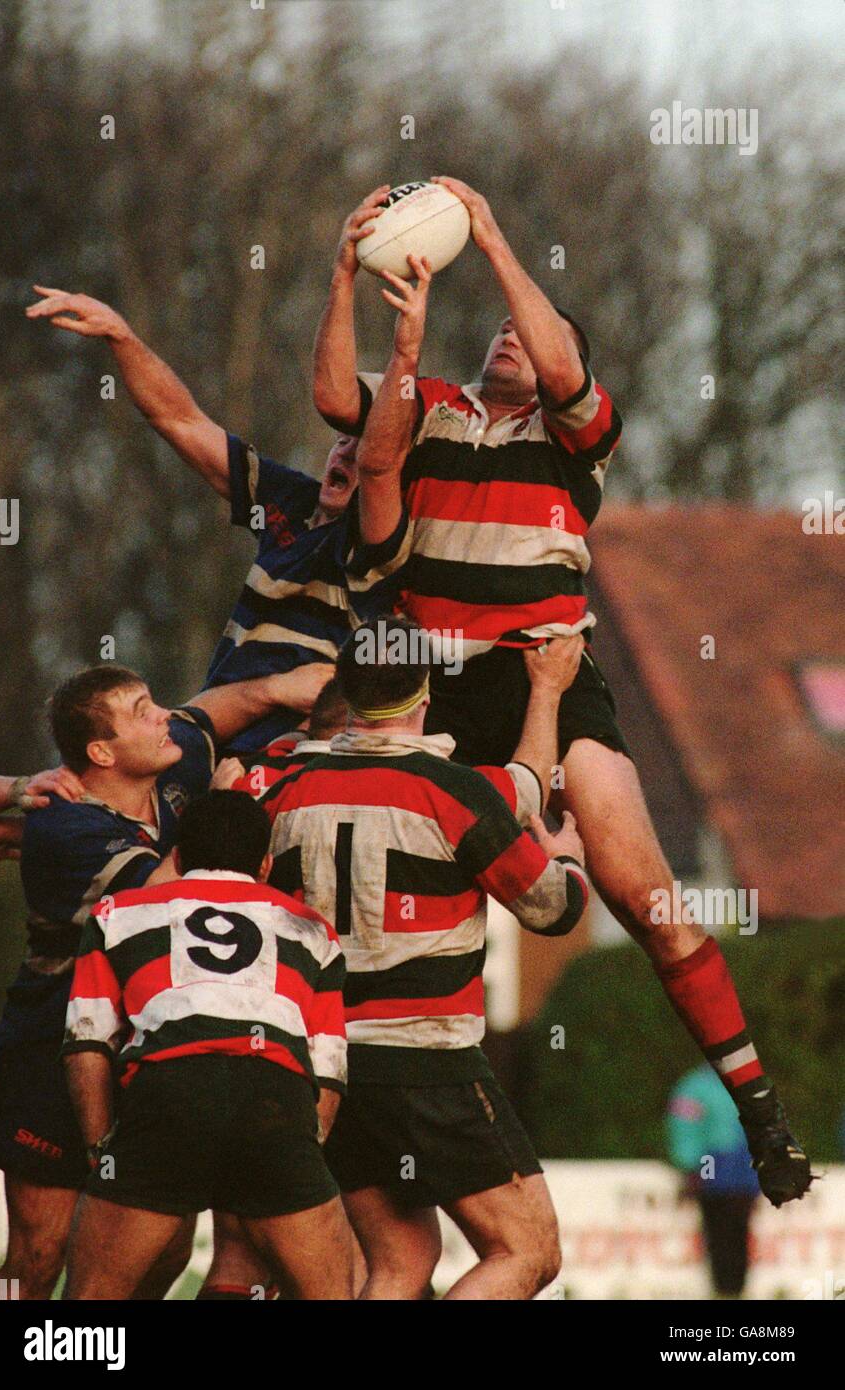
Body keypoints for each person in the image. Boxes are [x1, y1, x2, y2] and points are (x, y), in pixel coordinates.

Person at [312, 177, 812, 1207]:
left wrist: (489, 231)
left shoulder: (577, 442)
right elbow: (335, 403)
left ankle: (758, 1111)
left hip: (549, 675)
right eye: (495, 328)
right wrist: (341, 277)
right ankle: (318, 1090)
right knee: (366, 883)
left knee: (651, 900)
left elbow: (564, 368)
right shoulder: (434, 410)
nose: (507, 338)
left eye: (525, 333)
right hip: (436, 688)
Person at [263, 617, 589, 1300]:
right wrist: (568, 865)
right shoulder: (454, 792)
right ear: (426, 690)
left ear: (345, 694)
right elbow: (549, 910)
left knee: (401, 1259)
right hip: (426, 1062)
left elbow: (517, 788)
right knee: (527, 1252)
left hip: (327, 1067)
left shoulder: (287, 790)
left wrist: (546, 692)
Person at [0, 660, 321, 1299]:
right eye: (140, 710)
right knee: (36, 1255)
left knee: (162, 1250)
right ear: (102, 751)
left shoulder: (171, 760)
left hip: (141, 1054)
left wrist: (281, 687)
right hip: (49, 1054)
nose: (162, 713)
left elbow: (222, 706)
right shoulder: (67, 824)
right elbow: (169, 901)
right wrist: (229, 807)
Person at [25, 234, 411, 756]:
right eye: (343, 442)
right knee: (65, 798)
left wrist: (405, 344)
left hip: (293, 748)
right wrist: (121, 336)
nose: (345, 456)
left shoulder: (378, 539)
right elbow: (179, 419)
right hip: (214, 728)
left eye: (363, 454)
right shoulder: (287, 501)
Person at [61, 789, 351, 1301]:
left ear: (177, 858)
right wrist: (303, 1151)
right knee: (327, 1293)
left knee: (93, 1300)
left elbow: (87, 1041)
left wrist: (100, 1148)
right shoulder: (314, 931)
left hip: (168, 1093)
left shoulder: (114, 915)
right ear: (264, 865)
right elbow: (327, 1065)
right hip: (274, 1099)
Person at [667, 1064, 761, 1299]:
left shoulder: (743, 1083)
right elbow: (684, 1128)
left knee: (736, 1231)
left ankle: (733, 1289)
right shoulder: (698, 1086)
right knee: (720, 1230)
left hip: (740, 1169)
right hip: (715, 1168)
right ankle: (725, 1288)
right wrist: (691, 1166)